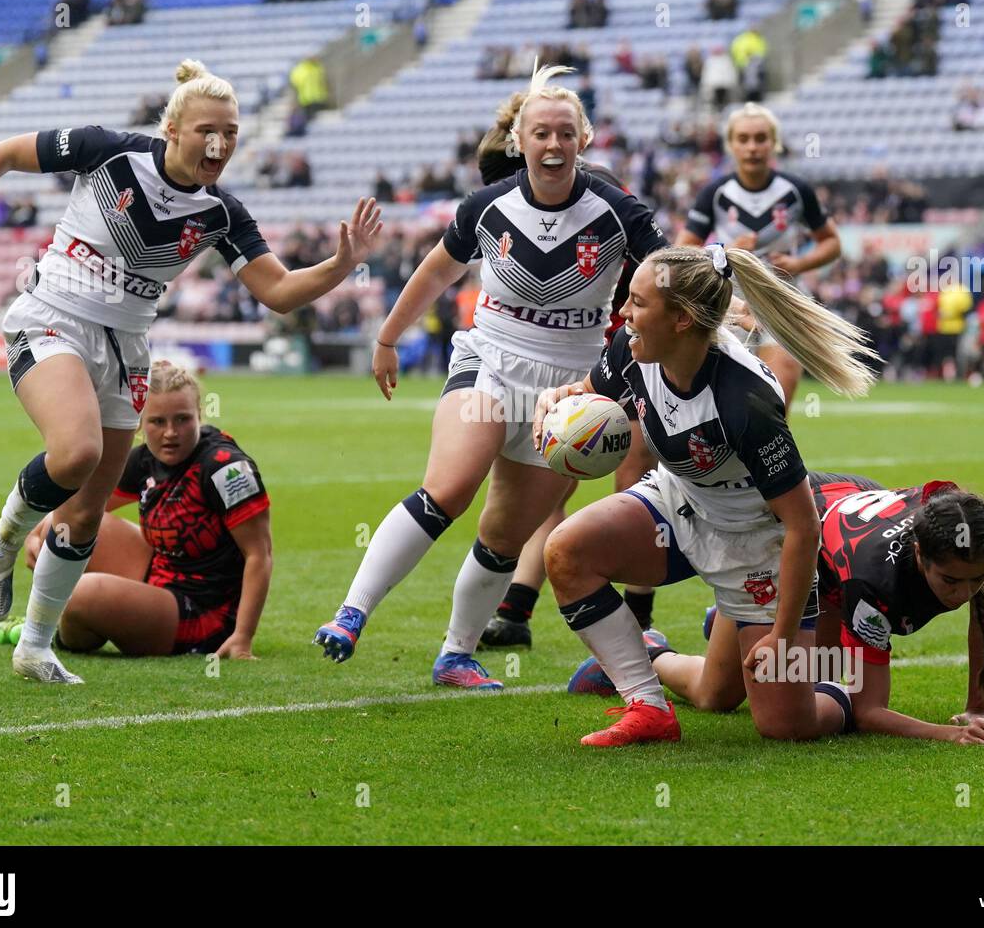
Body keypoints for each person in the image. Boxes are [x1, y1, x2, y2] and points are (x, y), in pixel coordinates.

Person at [0, 59, 381, 683]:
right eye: (208, 129)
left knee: (87, 514)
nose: (221, 144)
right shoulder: (110, 153)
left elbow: (278, 291)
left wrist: (341, 264)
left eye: (230, 131)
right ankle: (5, 537)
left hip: (126, 350)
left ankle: (35, 647)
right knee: (76, 453)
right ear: (172, 128)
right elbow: (5, 151)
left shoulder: (221, 213)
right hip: (53, 317)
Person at [313, 65, 668, 689]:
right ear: (519, 142)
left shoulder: (617, 210)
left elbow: (668, 274)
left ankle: (456, 654)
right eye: (540, 134)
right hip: (491, 365)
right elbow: (433, 273)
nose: (553, 144)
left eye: (565, 132)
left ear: (583, 139)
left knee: (504, 537)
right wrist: (389, 337)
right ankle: (351, 612)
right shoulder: (486, 206)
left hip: (568, 392)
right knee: (448, 489)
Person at [535, 243, 878, 746]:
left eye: (638, 303)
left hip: (758, 543)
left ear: (680, 320)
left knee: (778, 723)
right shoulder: (632, 348)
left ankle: (841, 680)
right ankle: (647, 699)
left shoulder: (745, 402)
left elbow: (802, 524)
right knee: (567, 552)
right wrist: (558, 400)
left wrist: (782, 638)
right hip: (681, 503)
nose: (624, 314)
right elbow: (587, 393)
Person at [595, 472, 984, 745]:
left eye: (976, 578)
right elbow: (868, 710)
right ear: (919, 555)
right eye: (951, 582)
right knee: (723, 698)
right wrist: (947, 735)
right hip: (789, 548)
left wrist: (978, 707)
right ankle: (654, 649)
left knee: (803, 679)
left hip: (842, 517)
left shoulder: (978, 532)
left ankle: (726, 628)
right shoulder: (873, 583)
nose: (966, 592)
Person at [466, 85, 661, 650]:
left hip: (619, 344)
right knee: (572, 474)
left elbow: (652, 263)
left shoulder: (602, 199)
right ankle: (522, 609)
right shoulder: (519, 202)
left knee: (628, 468)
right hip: (592, 351)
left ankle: (629, 615)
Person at [0, 361, 272, 658]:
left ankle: (40, 631)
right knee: (60, 526)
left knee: (82, 595)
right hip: (162, 573)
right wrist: (35, 534)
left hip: (205, 612)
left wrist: (243, 637)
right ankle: (55, 621)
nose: (171, 433)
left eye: (183, 420)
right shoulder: (145, 459)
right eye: (158, 422)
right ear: (141, 423)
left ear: (199, 415)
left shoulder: (226, 469)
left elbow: (259, 554)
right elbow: (80, 506)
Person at [675, 103, 842, 407]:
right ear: (731, 145)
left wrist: (799, 263)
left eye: (761, 138)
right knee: (725, 402)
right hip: (731, 303)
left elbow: (831, 242)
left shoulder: (795, 190)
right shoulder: (715, 193)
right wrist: (725, 252)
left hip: (781, 297)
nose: (752, 147)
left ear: (773, 142)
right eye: (743, 139)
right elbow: (681, 254)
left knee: (776, 397)